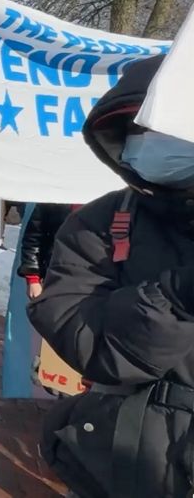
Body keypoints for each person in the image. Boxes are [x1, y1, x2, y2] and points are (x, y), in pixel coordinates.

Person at [27, 56, 194, 498]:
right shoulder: (99, 223)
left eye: (169, 127)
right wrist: (176, 298)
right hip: (129, 466)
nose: (149, 141)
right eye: (137, 130)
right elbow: (83, 336)